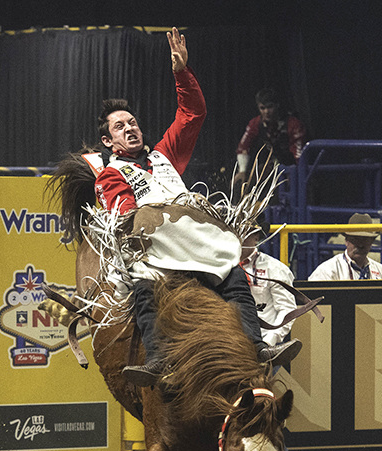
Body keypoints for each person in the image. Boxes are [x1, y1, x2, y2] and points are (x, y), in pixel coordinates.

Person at [88, 28, 300, 387]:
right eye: (120, 126)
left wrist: (182, 72)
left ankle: (255, 344)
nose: (131, 128)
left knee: (232, 272)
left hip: (194, 238)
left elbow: (192, 112)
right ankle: (157, 358)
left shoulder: (163, 154)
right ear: (109, 141)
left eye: (133, 122)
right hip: (155, 247)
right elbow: (124, 212)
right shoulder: (110, 174)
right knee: (145, 282)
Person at [293, 213, 382, 451]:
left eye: (365, 240)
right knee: (320, 405)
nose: (360, 245)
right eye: (355, 240)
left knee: (359, 407)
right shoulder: (326, 271)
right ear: (346, 241)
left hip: (365, 351)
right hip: (330, 348)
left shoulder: (379, 271)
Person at [240, 229, 298, 451]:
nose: (242, 239)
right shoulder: (223, 268)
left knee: (266, 413)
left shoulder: (275, 269)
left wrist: (267, 345)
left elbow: (288, 311)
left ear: (257, 237)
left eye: (248, 234)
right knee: (242, 413)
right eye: (237, 233)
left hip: (264, 352)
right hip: (235, 352)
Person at [233, 88, 306, 190]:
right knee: (246, 179)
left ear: (277, 105)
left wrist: (295, 173)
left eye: (270, 107)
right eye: (262, 108)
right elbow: (244, 146)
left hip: (293, 166)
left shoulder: (293, 124)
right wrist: (242, 171)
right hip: (273, 165)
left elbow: (299, 153)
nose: (266, 112)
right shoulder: (255, 123)